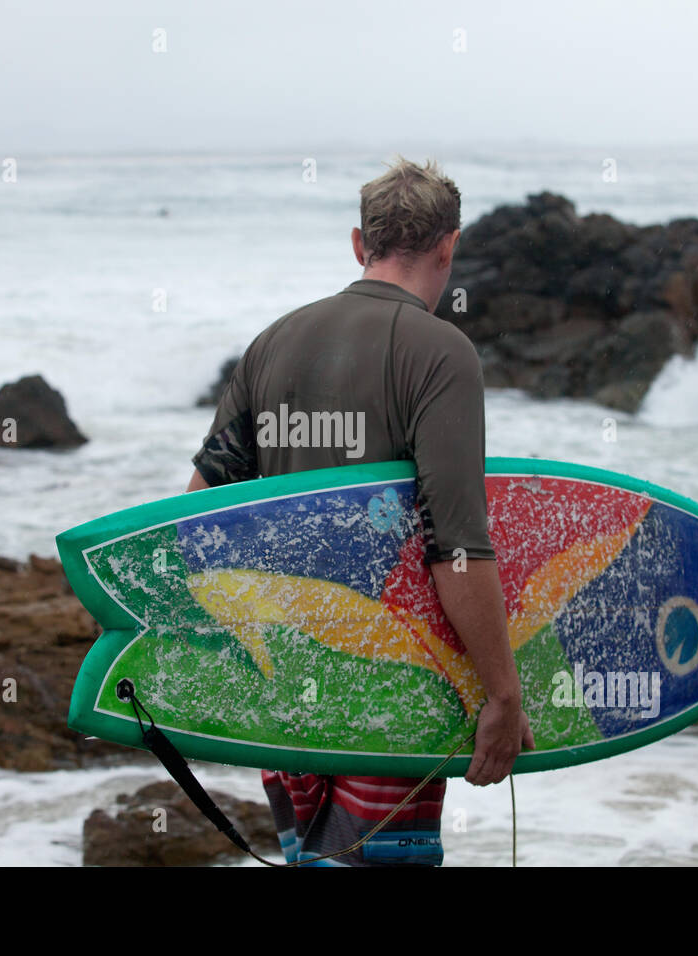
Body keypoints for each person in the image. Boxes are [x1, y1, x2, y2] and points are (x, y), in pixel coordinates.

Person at [185, 156, 534, 866]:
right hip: (388, 680)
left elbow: (198, 514)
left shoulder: (269, 347)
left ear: (358, 244)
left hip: (282, 681)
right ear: (449, 247)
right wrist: (503, 693)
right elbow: (455, 545)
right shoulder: (440, 356)